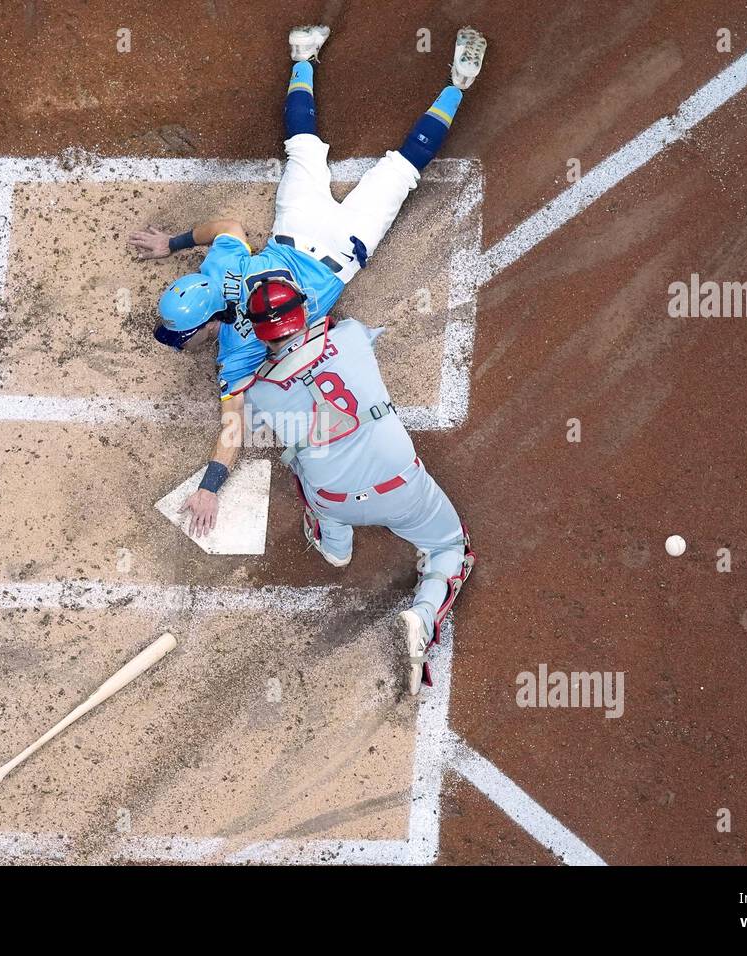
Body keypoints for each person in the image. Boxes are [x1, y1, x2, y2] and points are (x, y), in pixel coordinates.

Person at [128, 24, 487, 537]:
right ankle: (303, 56)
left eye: (188, 336)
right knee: (301, 147)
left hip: (344, 249)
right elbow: (226, 228)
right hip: (295, 227)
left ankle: (457, 84)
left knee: (402, 170)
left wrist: (210, 486)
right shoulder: (217, 268)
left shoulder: (237, 351)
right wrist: (174, 244)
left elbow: (233, 426)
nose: (187, 345)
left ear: (208, 322)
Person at [228, 285, 476, 695]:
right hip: (402, 486)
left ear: (258, 333)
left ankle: (335, 547)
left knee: (300, 462)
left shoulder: (257, 392)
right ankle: (424, 614)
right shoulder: (349, 333)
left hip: (337, 502)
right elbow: (340, 344)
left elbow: (252, 421)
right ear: (304, 310)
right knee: (450, 545)